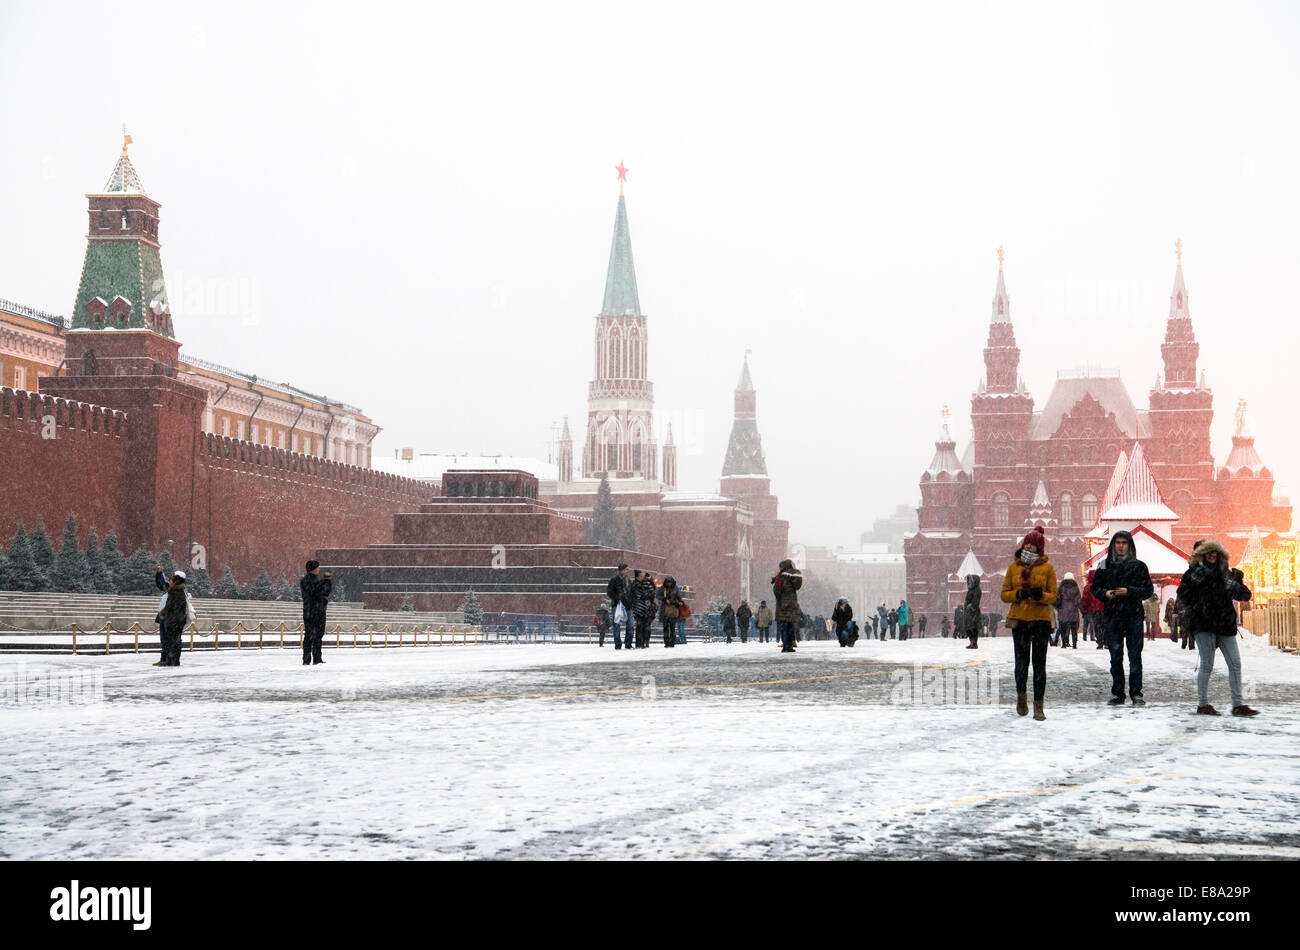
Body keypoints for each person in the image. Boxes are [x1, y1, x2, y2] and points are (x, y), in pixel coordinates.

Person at [1176, 539, 1258, 716]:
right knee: (1207, 664)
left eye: (1215, 551)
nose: (1212, 555)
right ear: (1201, 554)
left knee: (1235, 663)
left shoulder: (1225, 573)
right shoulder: (1192, 574)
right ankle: (1202, 704)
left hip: (1224, 624)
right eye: (1208, 552)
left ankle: (1238, 704)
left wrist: (1237, 582)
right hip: (1203, 624)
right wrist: (1198, 587)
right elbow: (1183, 596)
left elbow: (1245, 595)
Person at [1090, 530, 1154, 706]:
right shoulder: (1104, 565)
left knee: (1135, 655)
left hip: (1133, 614)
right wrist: (1105, 593)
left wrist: (1130, 591)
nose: (1120, 546)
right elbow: (1095, 588)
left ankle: (1136, 693)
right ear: (1113, 545)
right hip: (1113, 615)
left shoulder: (1139, 566)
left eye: (1124, 543)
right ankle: (1118, 693)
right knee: (1115, 655)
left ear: (1129, 545)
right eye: (1117, 542)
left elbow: (1148, 590)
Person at [1000, 526, 1058, 720]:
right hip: (1020, 621)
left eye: (1034, 545)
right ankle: (1021, 698)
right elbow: (1004, 594)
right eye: (1028, 544)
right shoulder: (1013, 567)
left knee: (1039, 666)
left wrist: (1040, 595)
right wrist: (1019, 594)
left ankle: (1039, 706)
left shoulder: (1048, 568)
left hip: (1040, 621)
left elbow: (1053, 596)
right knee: (1021, 664)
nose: (1030, 548)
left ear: (1040, 547)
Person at [154, 568, 193, 667]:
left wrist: (167, 617)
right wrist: (159, 574)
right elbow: (161, 583)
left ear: (176, 581)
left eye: (172, 578)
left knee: (173, 641)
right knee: (166, 641)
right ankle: (166, 659)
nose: (169, 580)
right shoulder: (172, 589)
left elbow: (175, 609)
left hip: (173, 621)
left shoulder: (178, 592)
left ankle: (172, 661)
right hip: (168, 619)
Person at [300, 560, 332, 665]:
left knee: (314, 636)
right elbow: (318, 592)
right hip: (314, 611)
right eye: (317, 567)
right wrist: (326, 581)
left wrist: (326, 581)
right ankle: (311, 659)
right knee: (313, 636)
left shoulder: (312, 580)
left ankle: (313, 658)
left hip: (313, 611)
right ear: (313, 569)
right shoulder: (308, 581)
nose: (319, 569)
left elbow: (325, 592)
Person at [772, 559, 803, 653]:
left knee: (784, 626)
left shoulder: (782, 576)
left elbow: (778, 591)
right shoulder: (794, 576)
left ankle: (785, 645)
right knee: (790, 626)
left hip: (783, 605)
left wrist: (776, 582)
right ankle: (789, 645)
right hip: (792, 604)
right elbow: (797, 586)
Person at [606, 563, 632, 651]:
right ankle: (618, 643)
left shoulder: (628, 580)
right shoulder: (614, 580)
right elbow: (609, 592)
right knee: (616, 624)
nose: (628, 571)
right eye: (626, 569)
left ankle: (628, 643)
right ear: (622, 570)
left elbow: (631, 592)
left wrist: (630, 600)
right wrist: (618, 598)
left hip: (627, 605)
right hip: (617, 605)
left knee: (630, 625)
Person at [657, 575, 685, 648]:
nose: (669, 584)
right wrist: (664, 599)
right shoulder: (662, 588)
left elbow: (679, 597)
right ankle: (666, 642)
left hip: (673, 609)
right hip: (665, 610)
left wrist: (677, 601)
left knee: (672, 627)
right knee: (666, 627)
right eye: (668, 582)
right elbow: (658, 596)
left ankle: (672, 642)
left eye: (670, 582)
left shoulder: (676, 589)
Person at [1056, 572, 1081, 649]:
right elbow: (1079, 600)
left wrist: (1058, 607)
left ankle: (1064, 643)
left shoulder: (1060, 587)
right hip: (1073, 610)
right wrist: (1083, 610)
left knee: (1063, 628)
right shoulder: (1075, 587)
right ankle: (1074, 644)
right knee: (1074, 629)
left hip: (1063, 610)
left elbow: (1057, 599)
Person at [1082, 569, 1106, 649]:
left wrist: (1085, 610)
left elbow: (1085, 600)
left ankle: (1099, 642)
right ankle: (1106, 641)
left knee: (1097, 625)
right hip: (1104, 608)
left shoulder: (1088, 587)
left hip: (1094, 609)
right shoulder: (1104, 585)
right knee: (1104, 625)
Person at [635, 571, 657, 649]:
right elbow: (635, 596)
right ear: (637, 577)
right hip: (638, 609)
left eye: (643, 576)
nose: (642, 578)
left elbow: (653, 592)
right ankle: (638, 644)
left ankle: (644, 642)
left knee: (645, 627)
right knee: (639, 626)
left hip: (647, 609)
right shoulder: (634, 584)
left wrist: (645, 596)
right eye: (641, 576)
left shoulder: (647, 584)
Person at [961, 573, 981, 649]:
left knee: (973, 628)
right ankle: (972, 642)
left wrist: (971, 607)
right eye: (968, 581)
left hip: (973, 612)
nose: (968, 582)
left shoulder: (977, 590)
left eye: (970, 580)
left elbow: (976, 601)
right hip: (968, 612)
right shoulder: (970, 590)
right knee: (968, 628)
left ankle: (974, 643)